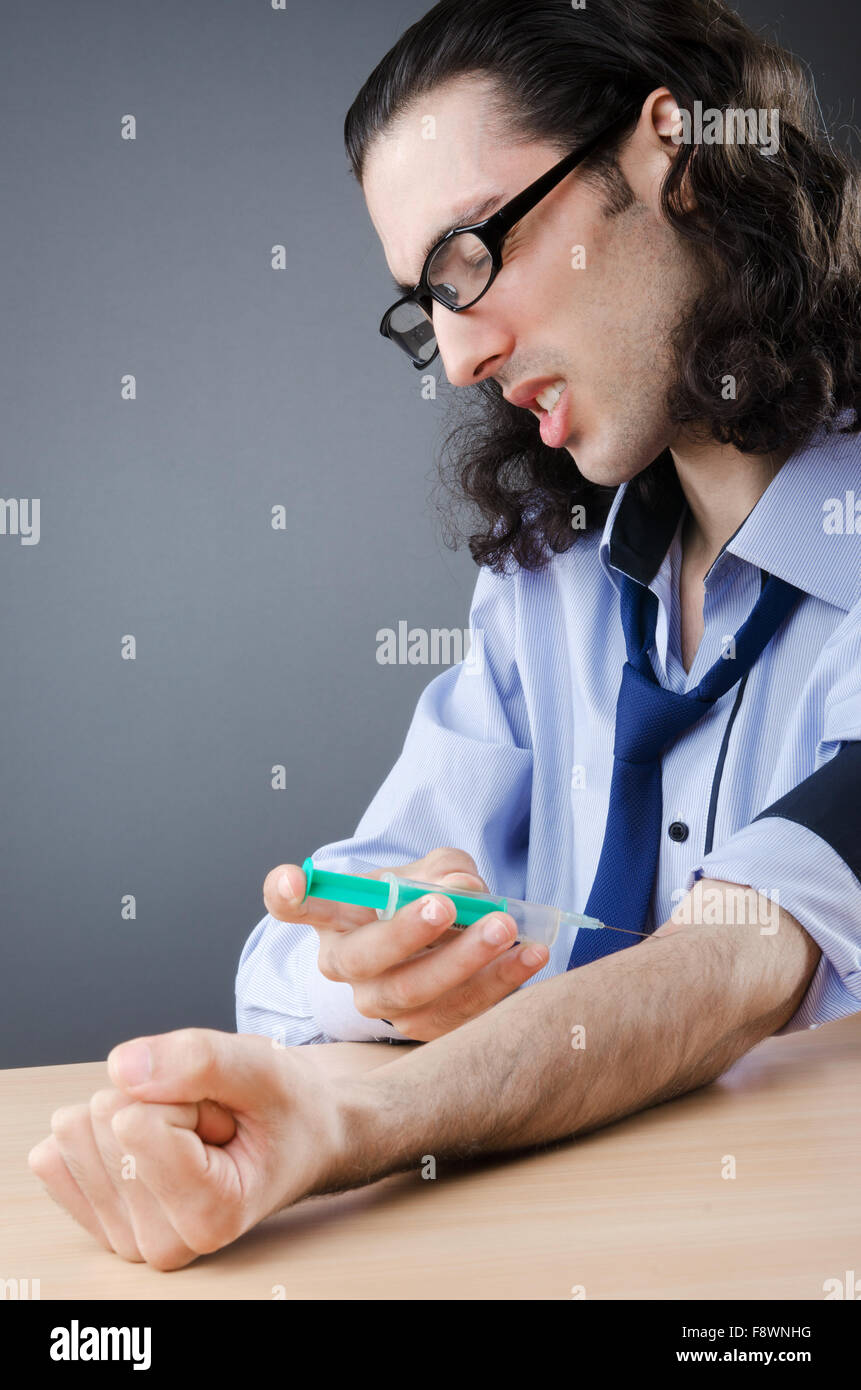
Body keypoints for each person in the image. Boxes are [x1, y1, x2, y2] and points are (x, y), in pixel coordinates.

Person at [29, 0, 860, 1269]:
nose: (458, 357)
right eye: (427, 303)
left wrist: (353, 1116)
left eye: (470, 256)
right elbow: (286, 956)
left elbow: (744, 961)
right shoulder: (551, 589)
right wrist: (389, 972)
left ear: (669, 155)